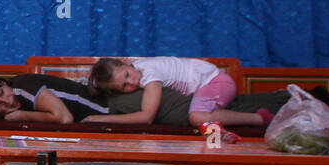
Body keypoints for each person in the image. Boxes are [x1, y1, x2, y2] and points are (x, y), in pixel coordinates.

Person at [84, 56, 270, 128]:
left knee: (197, 117)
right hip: (208, 85)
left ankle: (260, 119)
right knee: (201, 116)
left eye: (127, 75)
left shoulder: (150, 75)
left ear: (126, 62)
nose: (132, 82)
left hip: (216, 82)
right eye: (124, 86)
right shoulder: (138, 69)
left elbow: (146, 117)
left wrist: (100, 119)